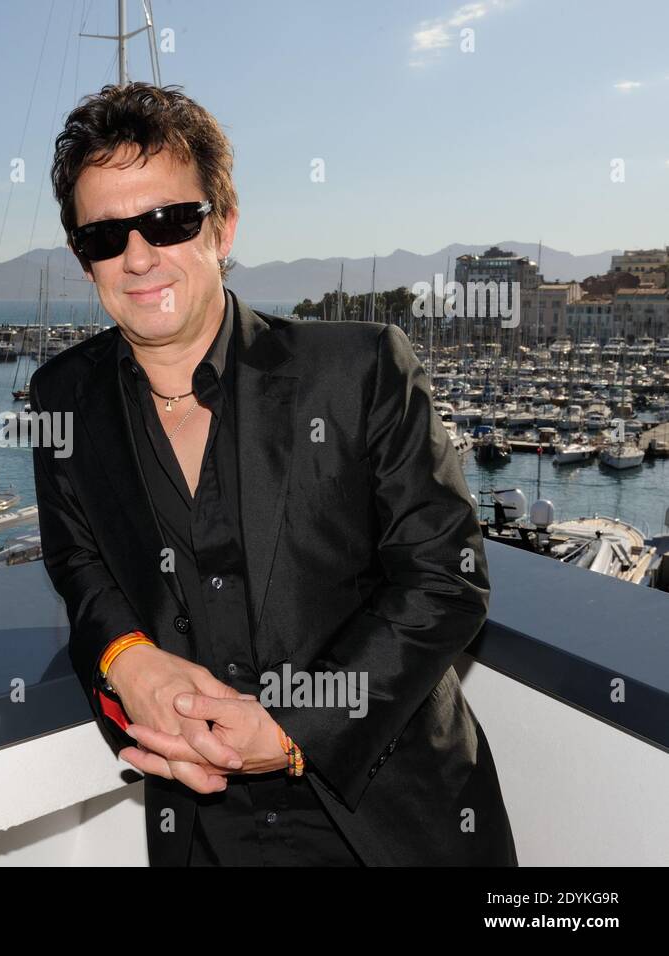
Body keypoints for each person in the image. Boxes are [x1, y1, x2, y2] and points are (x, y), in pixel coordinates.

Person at [29, 82, 516, 866]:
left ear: (223, 225)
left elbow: (442, 581)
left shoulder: (359, 371)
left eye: (169, 220)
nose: (140, 256)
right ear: (84, 260)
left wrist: (293, 731)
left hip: (387, 820)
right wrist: (126, 657)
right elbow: (79, 562)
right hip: (201, 832)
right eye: (106, 236)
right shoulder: (63, 397)